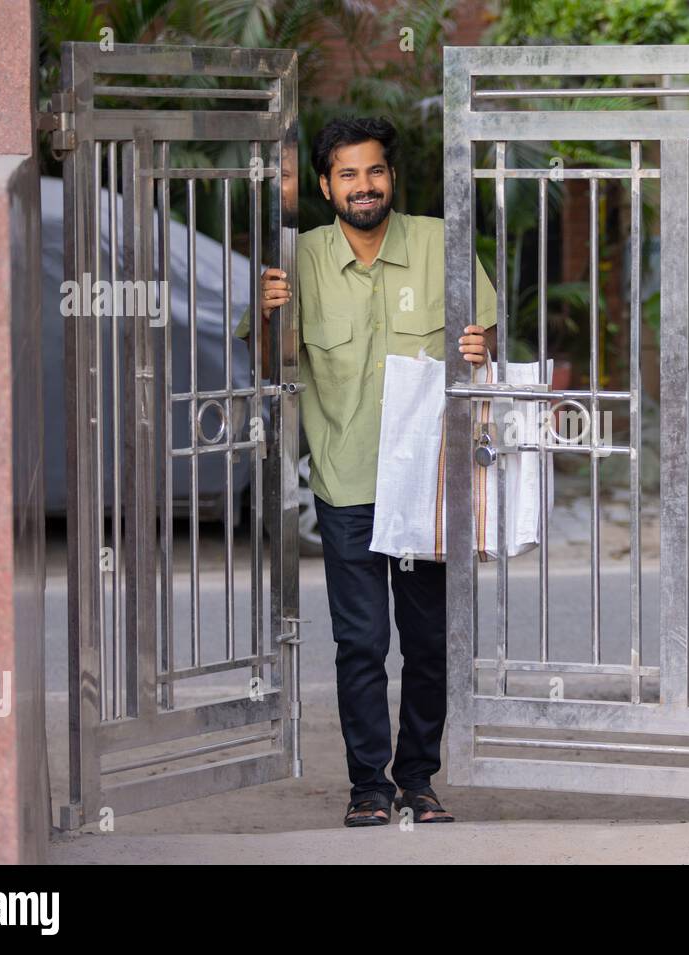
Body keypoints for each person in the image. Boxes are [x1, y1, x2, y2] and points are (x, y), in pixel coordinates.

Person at [236, 115, 497, 827]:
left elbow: (484, 341)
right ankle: (368, 786)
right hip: (347, 482)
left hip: (427, 485)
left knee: (430, 641)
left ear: (392, 178)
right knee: (361, 643)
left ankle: (419, 778)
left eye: (374, 171)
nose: (363, 185)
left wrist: (478, 344)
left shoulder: (440, 244)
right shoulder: (300, 259)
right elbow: (271, 372)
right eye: (347, 174)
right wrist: (267, 319)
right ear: (325, 186)